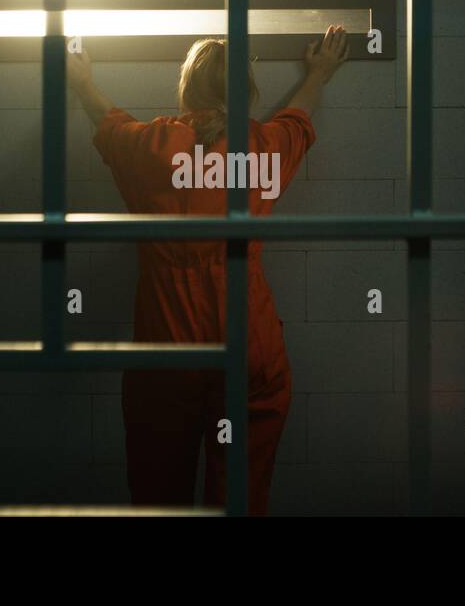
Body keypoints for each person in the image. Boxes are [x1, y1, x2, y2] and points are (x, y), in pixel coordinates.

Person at [66, 26, 349, 515]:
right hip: (248, 343)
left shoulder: (150, 146)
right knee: (241, 496)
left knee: (160, 498)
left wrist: (81, 80)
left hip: (168, 348)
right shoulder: (262, 148)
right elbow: (298, 116)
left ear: (186, 88)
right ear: (247, 92)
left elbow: (104, 119)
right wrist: (320, 71)